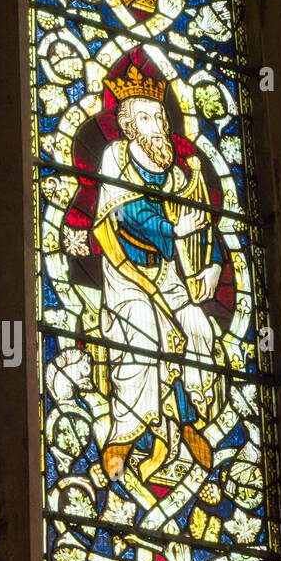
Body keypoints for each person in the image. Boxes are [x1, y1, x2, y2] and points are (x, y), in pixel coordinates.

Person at [91, 64, 222, 483]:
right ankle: (126, 434)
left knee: (199, 327)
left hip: (167, 273)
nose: (158, 125)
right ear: (129, 126)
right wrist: (174, 228)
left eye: (161, 117)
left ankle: (187, 423)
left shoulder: (179, 174)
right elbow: (129, 214)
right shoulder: (115, 158)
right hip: (126, 273)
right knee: (146, 329)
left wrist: (214, 269)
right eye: (147, 117)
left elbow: (202, 227)